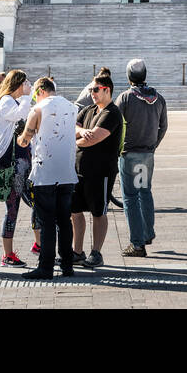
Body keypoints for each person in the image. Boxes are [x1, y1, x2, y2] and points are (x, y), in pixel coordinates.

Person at [18, 76, 78, 281]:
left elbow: (25, 141)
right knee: (64, 220)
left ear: (40, 91)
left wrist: (21, 135)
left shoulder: (38, 109)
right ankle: (68, 264)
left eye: (35, 94)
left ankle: (46, 267)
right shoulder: (71, 107)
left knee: (47, 222)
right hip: (67, 172)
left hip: (45, 173)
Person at [114, 59, 168, 257]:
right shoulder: (158, 98)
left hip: (129, 154)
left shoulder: (126, 98)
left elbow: (115, 125)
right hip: (147, 154)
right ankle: (147, 233)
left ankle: (137, 244)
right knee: (144, 192)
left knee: (130, 197)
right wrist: (153, 145)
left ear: (129, 76)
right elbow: (164, 126)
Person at [72, 73, 123, 269]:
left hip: (100, 171)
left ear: (106, 90)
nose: (91, 93)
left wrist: (76, 140)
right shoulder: (88, 110)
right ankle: (77, 252)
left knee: (98, 212)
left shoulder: (112, 113)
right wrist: (81, 132)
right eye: (91, 90)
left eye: (95, 90)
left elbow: (94, 138)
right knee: (75, 211)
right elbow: (73, 127)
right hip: (78, 170)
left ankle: (96, 252)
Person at [0, 69, 33, 267]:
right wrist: (28, 96)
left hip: (20, 161)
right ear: (18, 84)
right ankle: (8, 254)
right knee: (13, 208)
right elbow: (21, 114)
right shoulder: (6, 102)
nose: (28, 85)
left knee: (34, 203)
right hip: (11, 163)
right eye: (25, 82)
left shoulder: (11, 101)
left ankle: (38, 245)